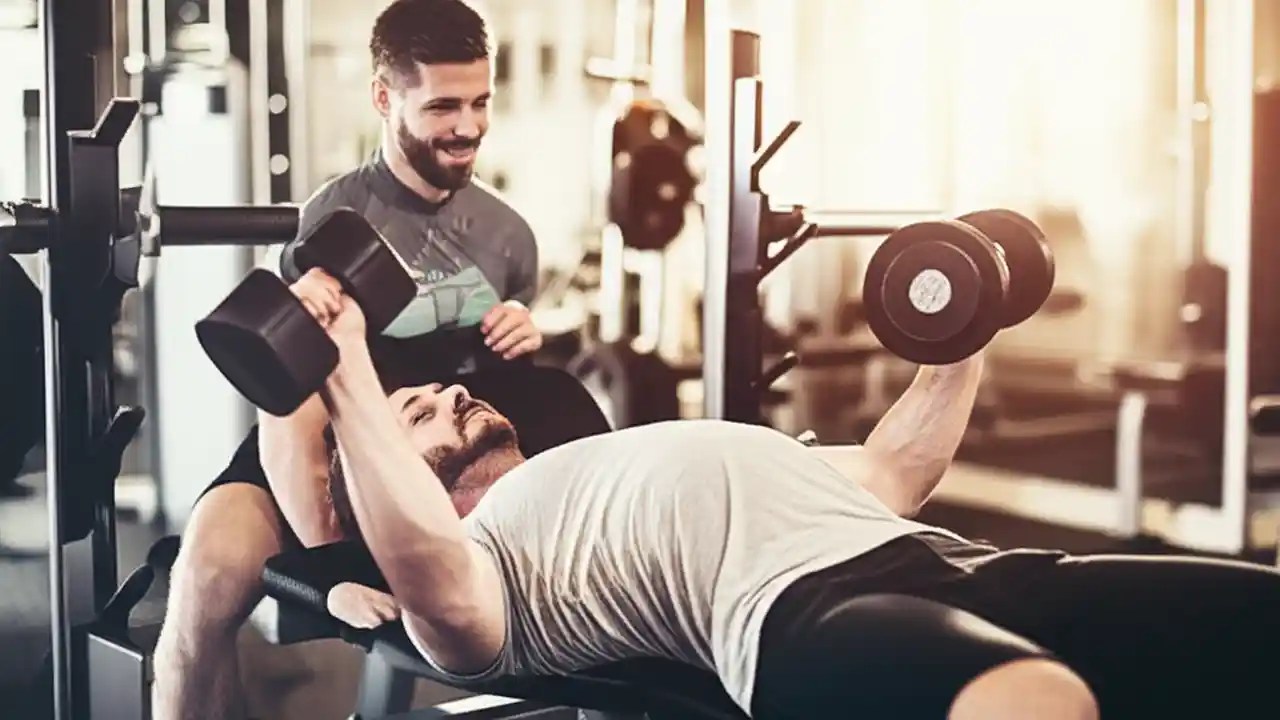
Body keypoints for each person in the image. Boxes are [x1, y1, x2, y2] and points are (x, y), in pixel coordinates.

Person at [299, 269, 1280, 720]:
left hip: (977, 570)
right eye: (418, 412)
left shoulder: (614, 456)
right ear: (390, 478)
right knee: (1033, 702)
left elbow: (894, 473)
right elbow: (423, 573)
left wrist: (962, 329)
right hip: (806, 613)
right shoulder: (477, 570)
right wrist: (345, 372)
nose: (452, 393)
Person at [151, 1, 545, 717]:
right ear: (384, 98)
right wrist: (330, 565)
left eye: (481, 102)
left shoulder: (510, 236)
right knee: (207, 571)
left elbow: (499, 391)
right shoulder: (326, 224)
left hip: (428, 442)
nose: (468, 127)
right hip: (321, 433)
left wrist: (522, 328)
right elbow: (293, 412)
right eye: (443, 106)